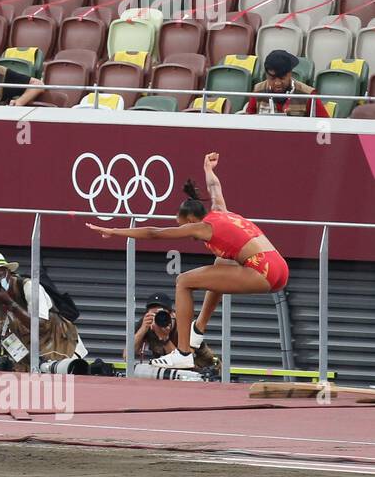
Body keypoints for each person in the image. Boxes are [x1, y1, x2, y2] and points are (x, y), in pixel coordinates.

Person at [87, 152, 289, 369]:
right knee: (220, 264)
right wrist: (208, 169)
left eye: (182, 225)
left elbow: (154, 233)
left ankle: (183, 352)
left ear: (191, 220)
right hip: (279, 267)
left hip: (261, 271)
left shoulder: (202, 227)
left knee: (183, 281)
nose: (186, 232)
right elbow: (215, 188)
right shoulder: (220, 211)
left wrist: (114, 231)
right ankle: (198, 330)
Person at [0, 252, 89, 373]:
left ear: (8, 272)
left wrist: (10, 303)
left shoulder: (28, 287)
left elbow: (40, 326)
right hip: (30, 358)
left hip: (63, 348)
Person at [244, 50, 327, 117]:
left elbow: (324, 124)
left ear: (290, 74)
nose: (277, 83)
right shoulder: (258, 91)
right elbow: (249, 121)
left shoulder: (308, 94)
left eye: (282, 78)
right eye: (272, 78)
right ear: (266, 75)